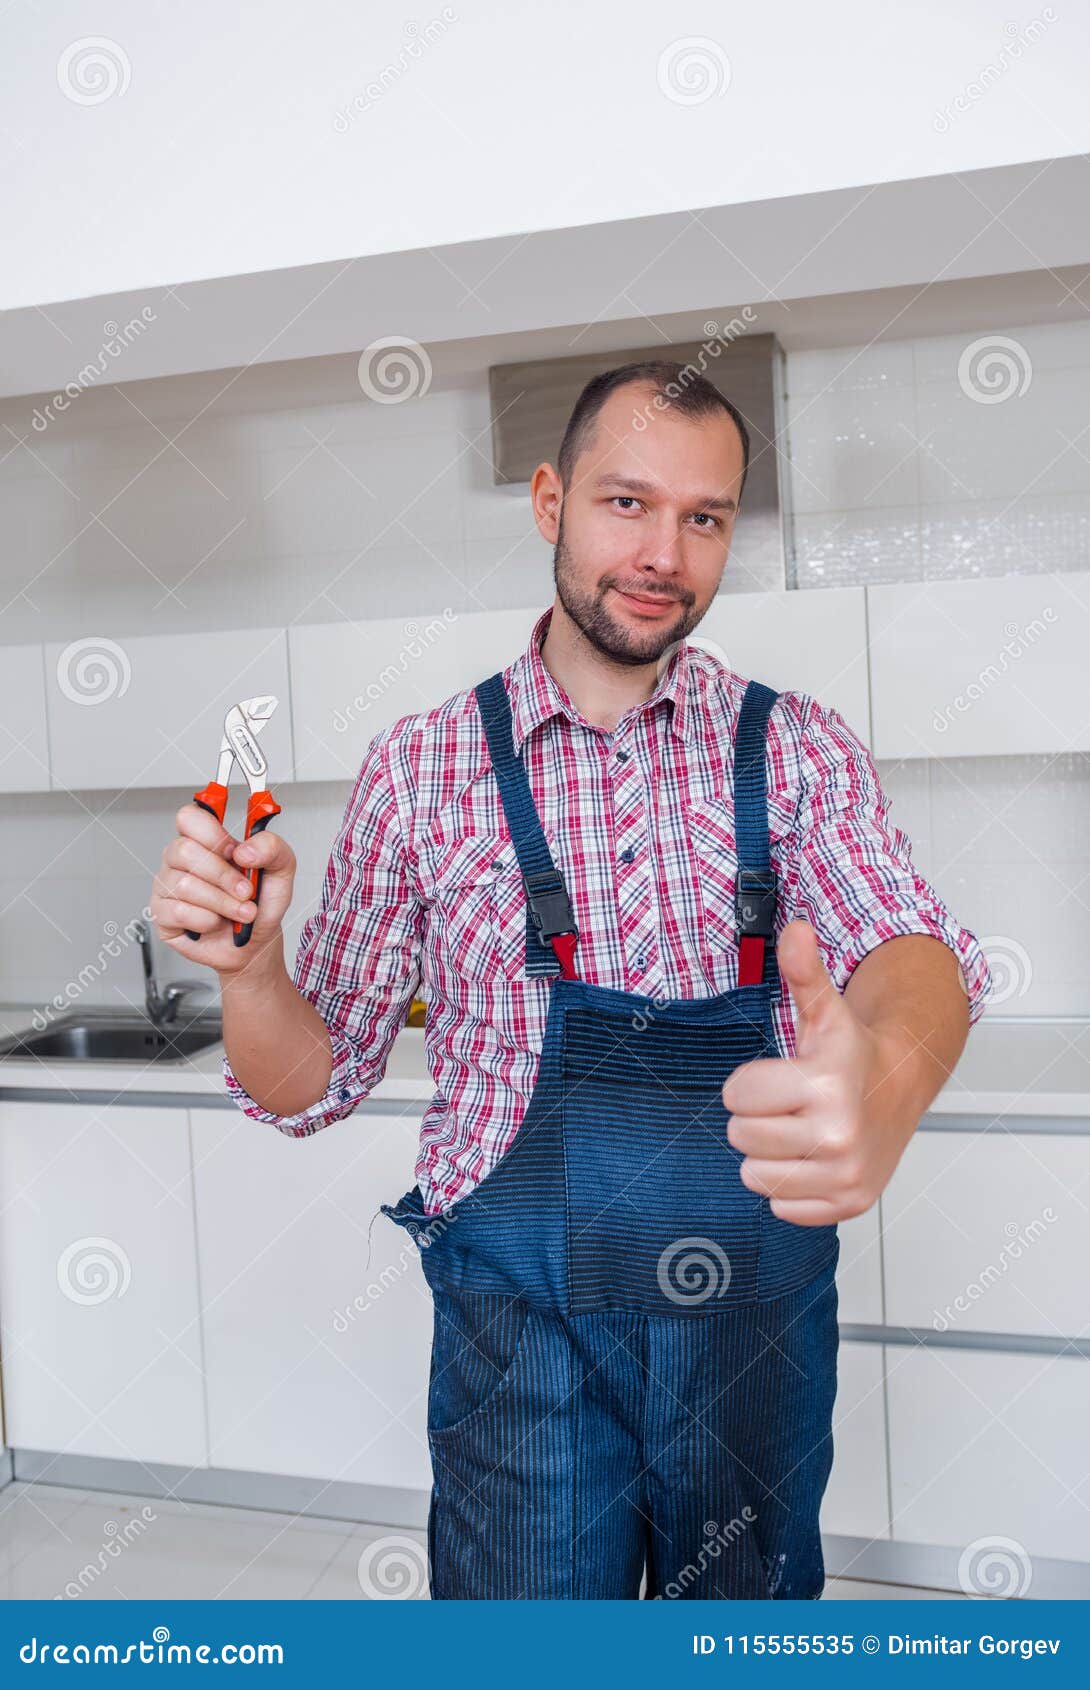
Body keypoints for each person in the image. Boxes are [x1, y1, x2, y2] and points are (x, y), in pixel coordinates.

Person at [150, 359, 992, 1599]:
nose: (663, 551)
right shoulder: (423, 767)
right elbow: (307, 1081)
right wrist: (253, 968)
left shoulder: (797, 746)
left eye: (703, 517)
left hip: (748, 1325)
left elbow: (914, 951)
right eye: (626, 503)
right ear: (550, 501)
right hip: (518, 1335)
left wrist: (893, 1079)